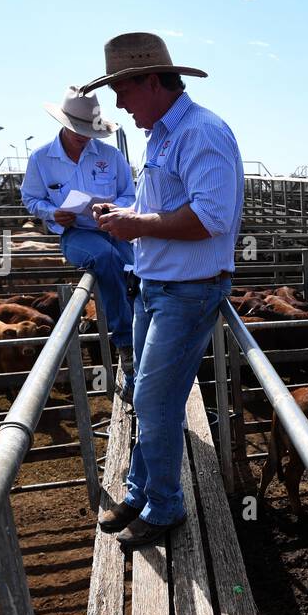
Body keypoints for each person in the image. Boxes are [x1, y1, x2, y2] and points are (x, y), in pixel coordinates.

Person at [81, 32, 244, 551]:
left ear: (152, 82)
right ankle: (140, 491)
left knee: (152, 397)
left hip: (188, 290)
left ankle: (165, 506)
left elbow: (210, 216)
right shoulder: (166, 135)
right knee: (148, 396)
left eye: (123, 90)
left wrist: (140, 226)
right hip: (158, 285)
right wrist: (132, 219)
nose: (119, 104)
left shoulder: (202, 133)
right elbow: (173, 208)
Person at [20, 87, 136, 401]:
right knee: (106, 258)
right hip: (76, 233)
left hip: (113, 227)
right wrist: (52, 212)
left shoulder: (110, 156)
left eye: (88, 131)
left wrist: (114, 208)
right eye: (77, 130)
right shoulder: (42, 159)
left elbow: (129, 193)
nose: (83, 136)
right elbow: (30, 198)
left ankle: (143, 346)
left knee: (136, 271)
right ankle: (127, 347)